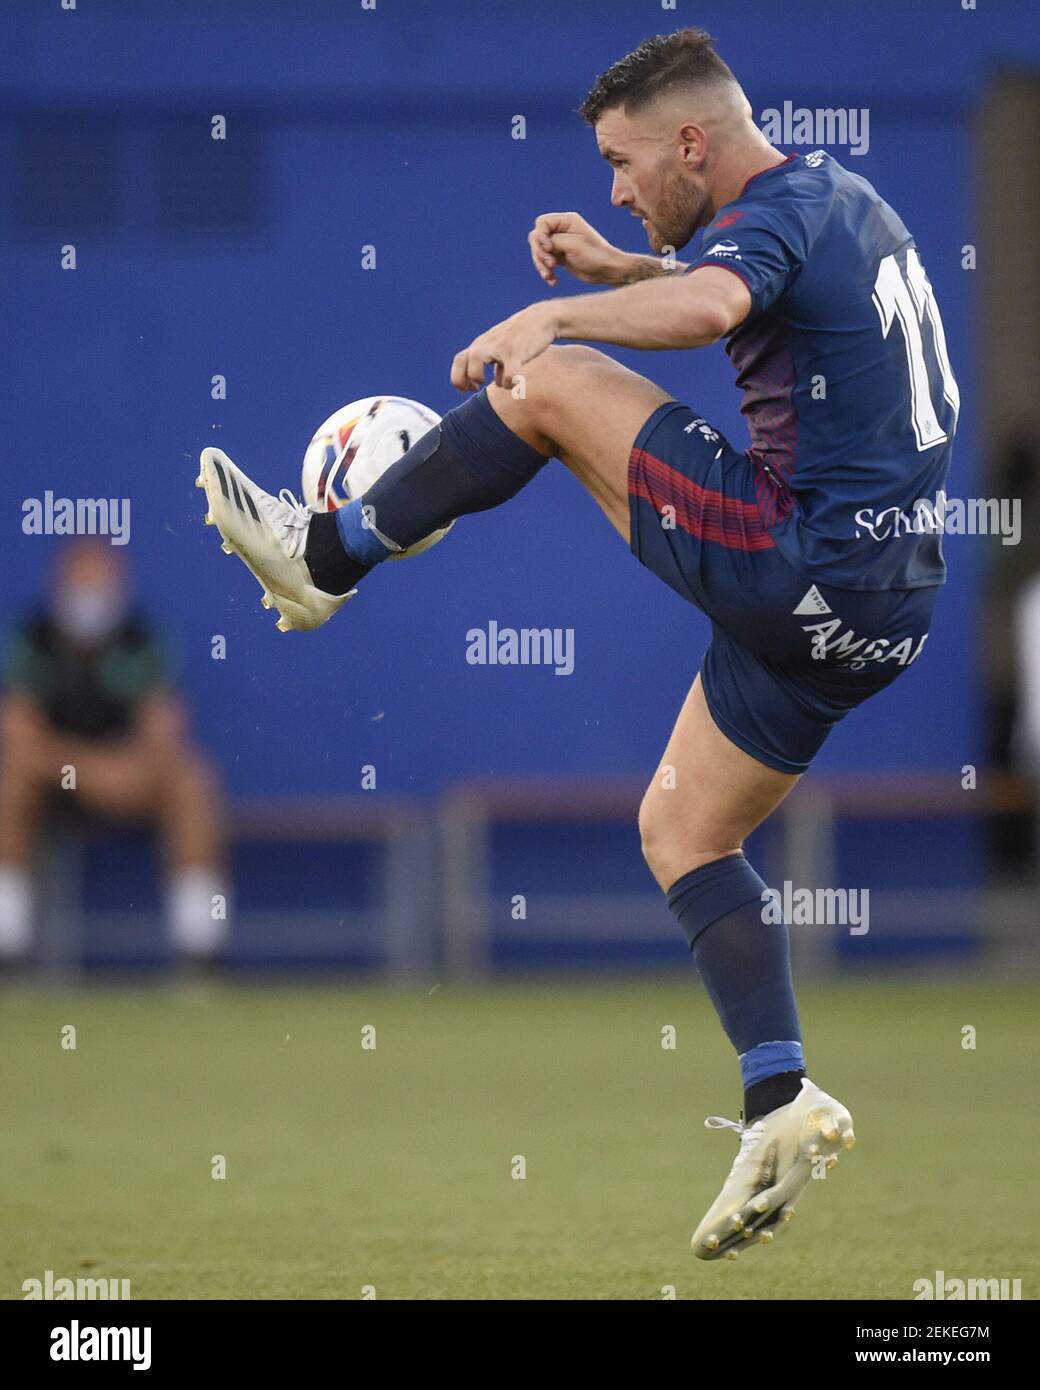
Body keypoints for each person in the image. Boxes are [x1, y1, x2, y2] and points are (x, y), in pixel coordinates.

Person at [194, 28, 957, 1259]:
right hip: (883, 611)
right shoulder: (839, 200)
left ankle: (324, 556)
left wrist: (556, 309)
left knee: (548, 382)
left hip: (797, 561)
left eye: (620, 162)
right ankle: (778, 1096)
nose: (612, 188)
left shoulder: (770, 219)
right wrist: (624, 266)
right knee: (682, 832)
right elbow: (751, 293)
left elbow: (714, 298)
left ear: (689, 143)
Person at [0, 538, 229, 969]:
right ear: (59, 587)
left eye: (100, 586)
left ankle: (200, 951)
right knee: (9, 782)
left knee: (192, 782)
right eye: (81, 585)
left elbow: (164, 736)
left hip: (128, 781)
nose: (90, 598)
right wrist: (87, 770)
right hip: (51, 785)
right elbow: (19, 739)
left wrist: (121, 772)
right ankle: (6, 948)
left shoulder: (142, 639)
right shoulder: (32, 639)